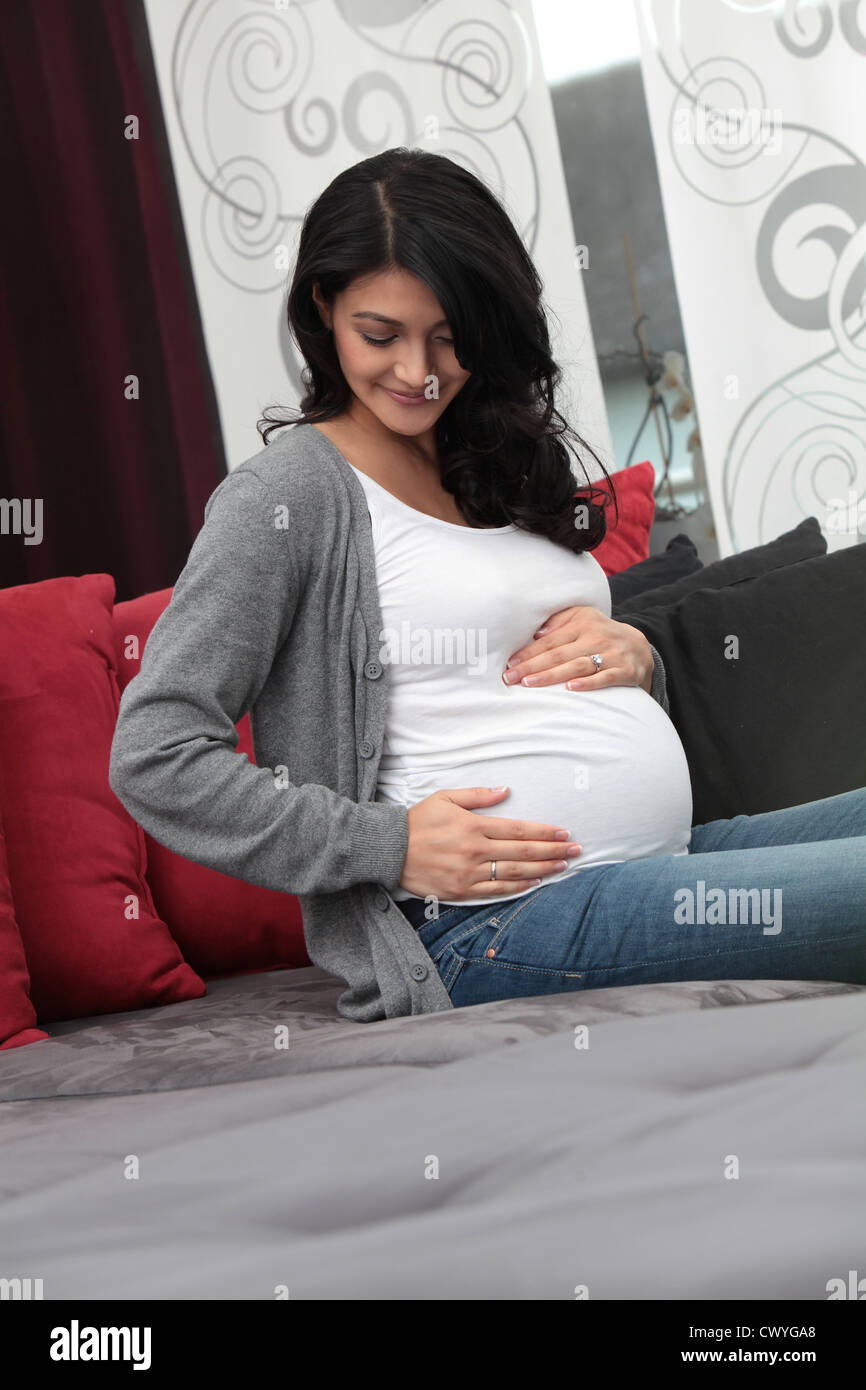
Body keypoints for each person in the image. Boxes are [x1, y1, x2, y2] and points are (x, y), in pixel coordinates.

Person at [109, 148, 866, 1020]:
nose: (418, 371)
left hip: (666, 860)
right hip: (486, 928)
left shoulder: (489, 460)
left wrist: (638, 654)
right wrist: (387, 845)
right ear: (324, 309)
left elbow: (502, 666)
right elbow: (155, 755)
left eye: (449, 335)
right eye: (381, 335)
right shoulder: (288, 499)